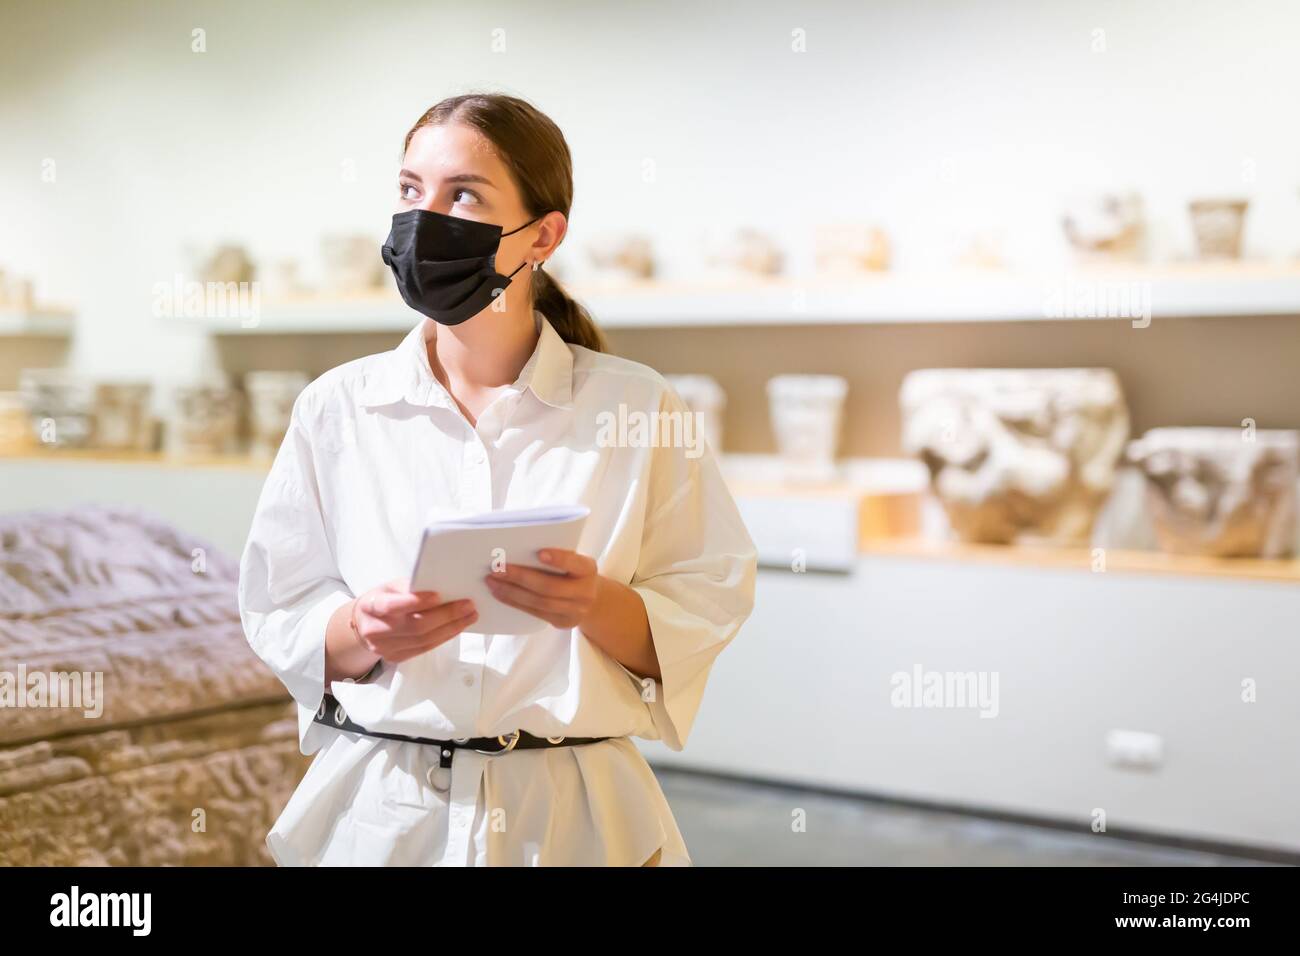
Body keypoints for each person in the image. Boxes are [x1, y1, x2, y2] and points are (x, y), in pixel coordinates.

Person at [237, 92, 758, 866]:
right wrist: (361, 630)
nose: (424, 219)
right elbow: (280, 603)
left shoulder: (636, 406)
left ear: (543, 236)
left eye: (464, 196)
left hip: (576, 818)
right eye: (411, 191)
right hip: (384, 813)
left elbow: (707, 598)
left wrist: (594, 603)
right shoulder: (337, 408)